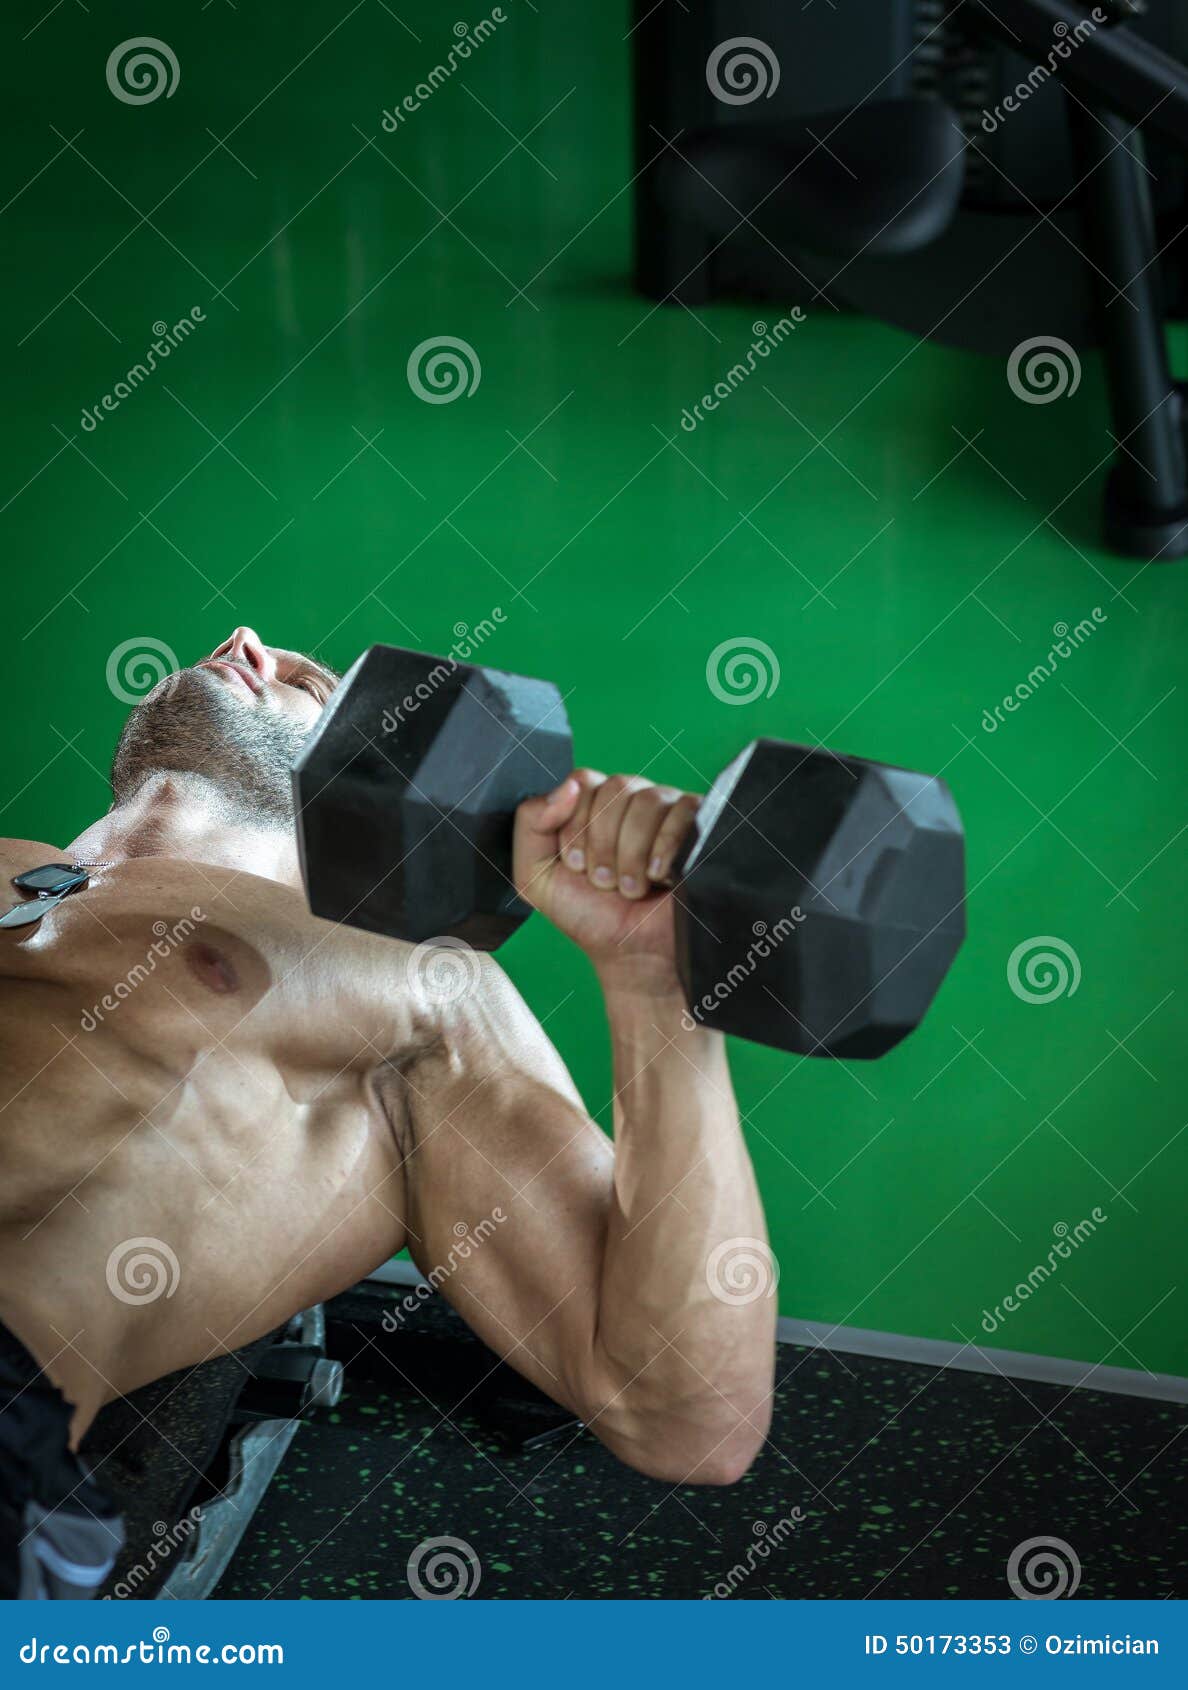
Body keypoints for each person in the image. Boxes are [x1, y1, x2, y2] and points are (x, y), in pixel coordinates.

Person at [0, 627, 775, 1598]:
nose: (247, 642)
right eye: (247, 641)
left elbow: (686, 1413)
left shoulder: (415, 990)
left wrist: (658, 988)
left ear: (351, 774)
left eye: (305, 678)